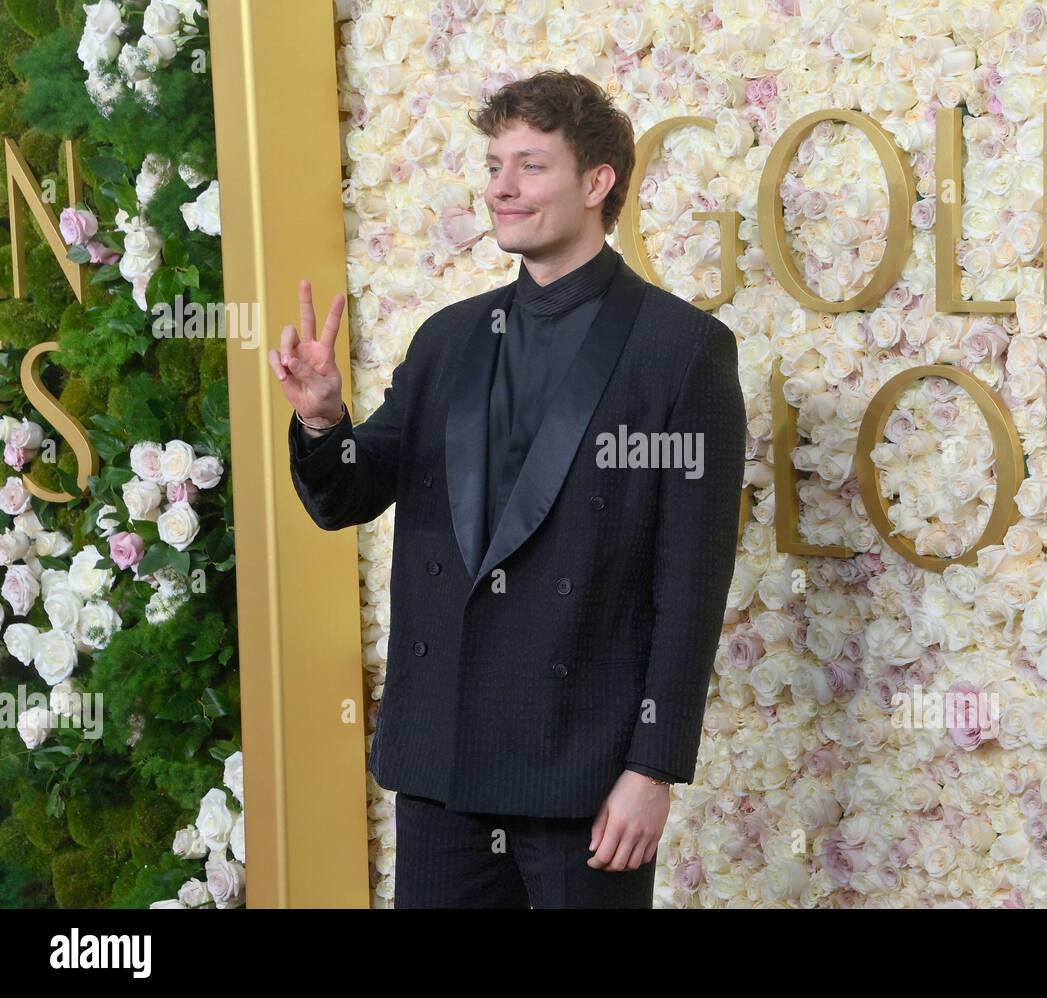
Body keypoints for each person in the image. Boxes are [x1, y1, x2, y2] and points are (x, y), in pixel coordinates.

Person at [267, 70, 745, 908]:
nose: (501, 188)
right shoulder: (450, 340)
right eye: (495, 165)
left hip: (586, 775)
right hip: (441, 763)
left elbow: (692, 580)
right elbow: (347, 494)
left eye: (530, 165)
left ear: (597, 183)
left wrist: (653, 767)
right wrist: (321, 421)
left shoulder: (682, 350)